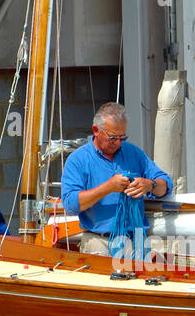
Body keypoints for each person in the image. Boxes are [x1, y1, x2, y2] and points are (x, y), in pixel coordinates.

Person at [61, 102, 172, 255]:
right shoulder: (78, 160)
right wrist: (108, 187)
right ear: (96, 130)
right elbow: (70, 203)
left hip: (136, 240)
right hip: (99, 241)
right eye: (113, 138)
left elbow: (165, 184)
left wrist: (150, 185)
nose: (118, 143)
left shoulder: (134, 153)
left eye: (122, 137)